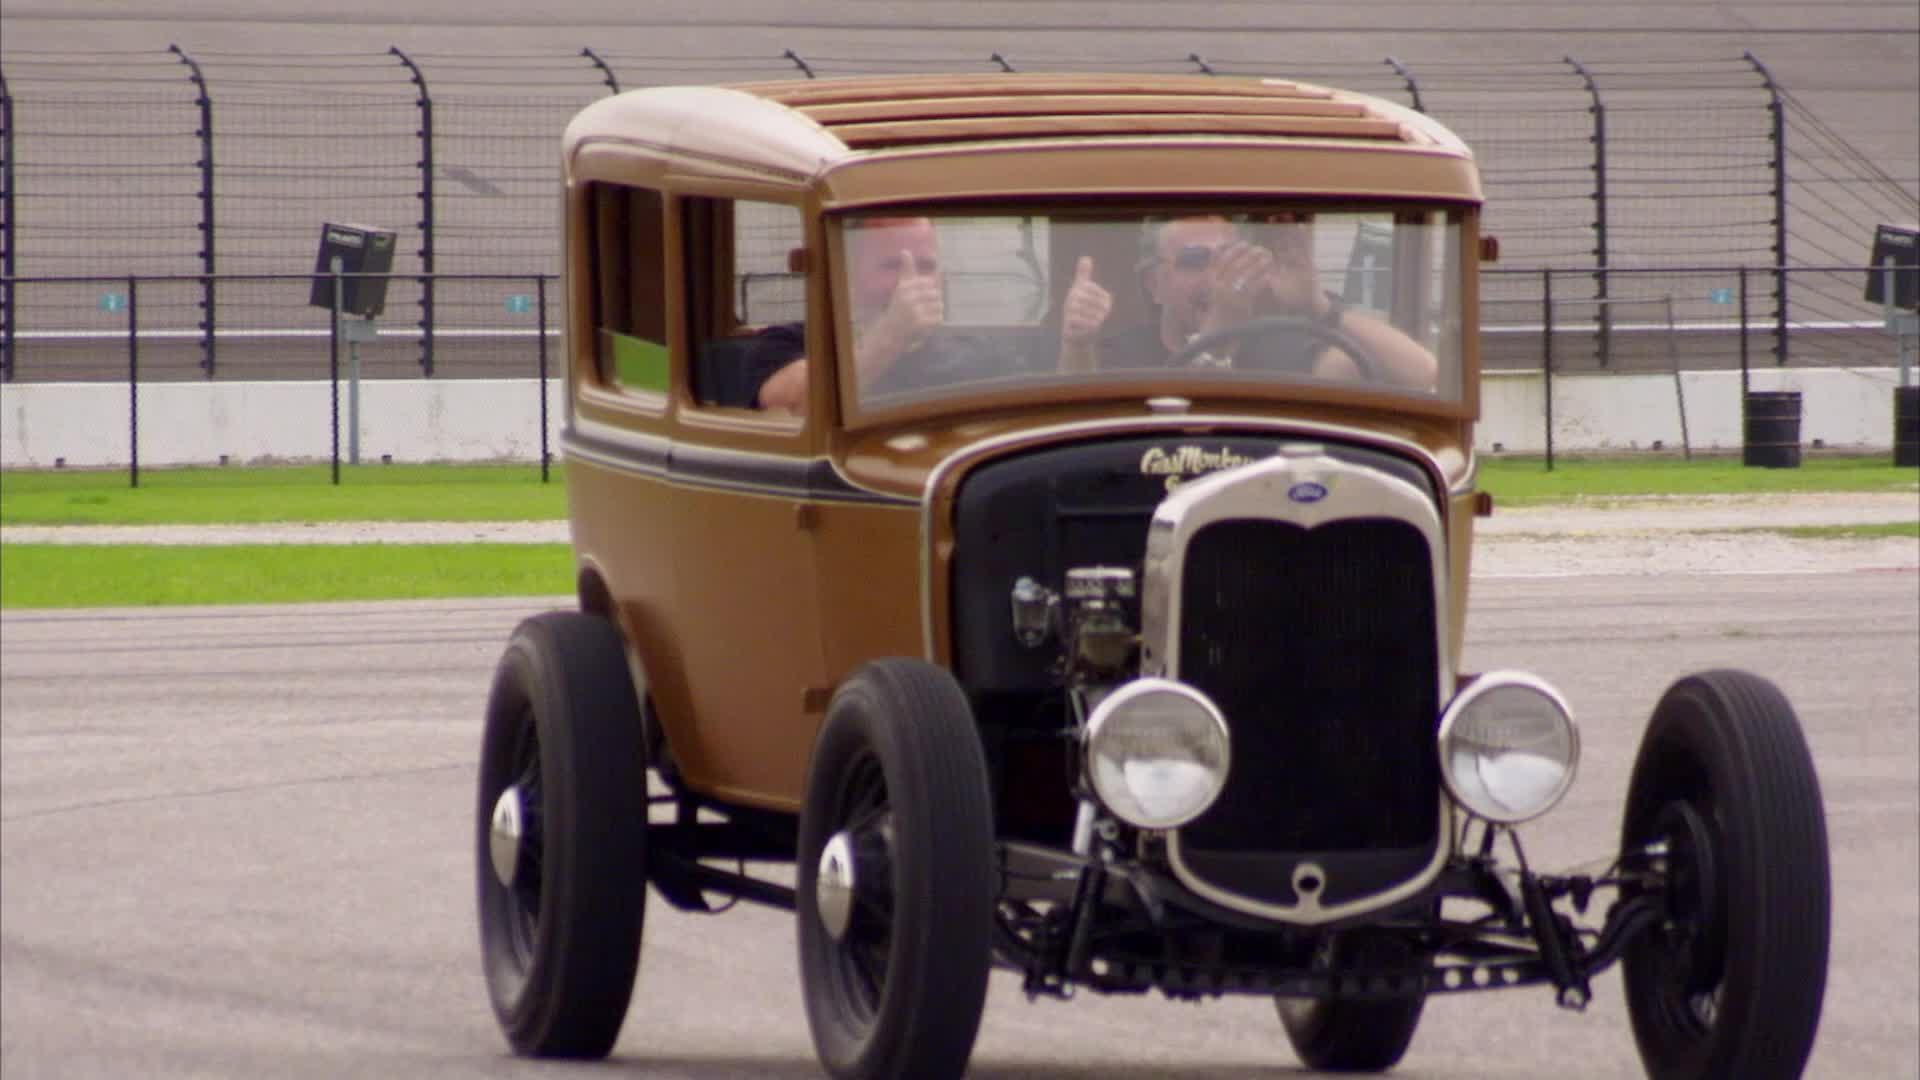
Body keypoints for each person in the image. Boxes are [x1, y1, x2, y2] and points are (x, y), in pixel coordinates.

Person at [1066, 215, 1438, 390]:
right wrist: (1077, 341)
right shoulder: (1124, 356)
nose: (1215, 276)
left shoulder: (1290, 354)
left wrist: (1317, 306)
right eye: (1195, 261)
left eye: (1229, 257)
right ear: (1155, 284)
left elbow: (1424, 375)